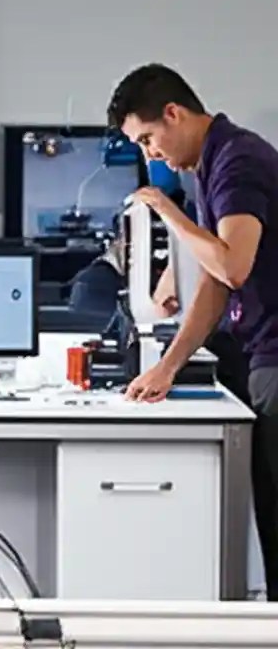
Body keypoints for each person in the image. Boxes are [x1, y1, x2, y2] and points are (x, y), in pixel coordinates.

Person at [110, 62, 278, 600]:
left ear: (174, 114)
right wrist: (168, 365)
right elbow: (212, 283)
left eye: (147, 139)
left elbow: (232, 268)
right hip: (260, 349)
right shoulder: (212, 163)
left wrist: (169, 215)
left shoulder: (238, 162)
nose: (148, 155)